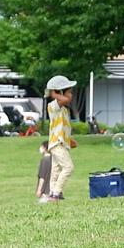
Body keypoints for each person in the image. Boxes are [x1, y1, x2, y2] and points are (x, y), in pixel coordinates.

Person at [39, 74, 78, 203]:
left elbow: (62, 127)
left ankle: (52, 193)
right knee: (68, 167)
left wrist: (69, 140)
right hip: (56, 144)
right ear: (59, 92)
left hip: (61, 142)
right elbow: (64, 100)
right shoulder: (53, 106)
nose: (70, 96)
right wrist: (54, 94)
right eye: (68, 92)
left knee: (56, 170)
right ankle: (56, 193)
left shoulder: (64, 110)